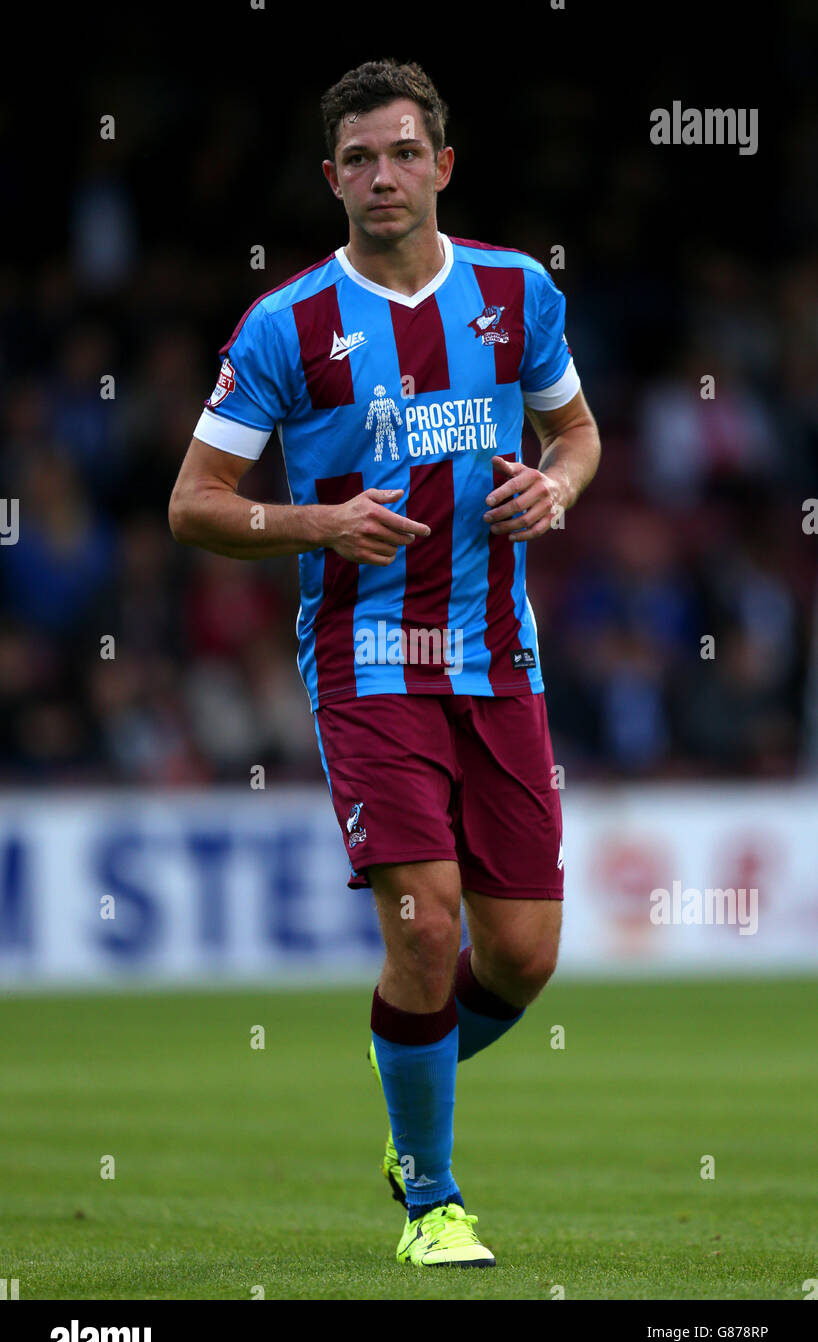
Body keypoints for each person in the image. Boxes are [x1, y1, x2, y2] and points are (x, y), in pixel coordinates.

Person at [169, 57, 601, 1268]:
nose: (382, 174)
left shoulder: (516, 293)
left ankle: (402, 1062)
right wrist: (317, 523)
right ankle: (430, 1200)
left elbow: (573, 432)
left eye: (403, 151)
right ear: (330, 180)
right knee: (425, 929)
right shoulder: (285, 326)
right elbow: (193, 505)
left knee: (519, 957)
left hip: (496, 656)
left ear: (442, 165)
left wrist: (552, 489)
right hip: (366, 661)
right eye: (358, 157)